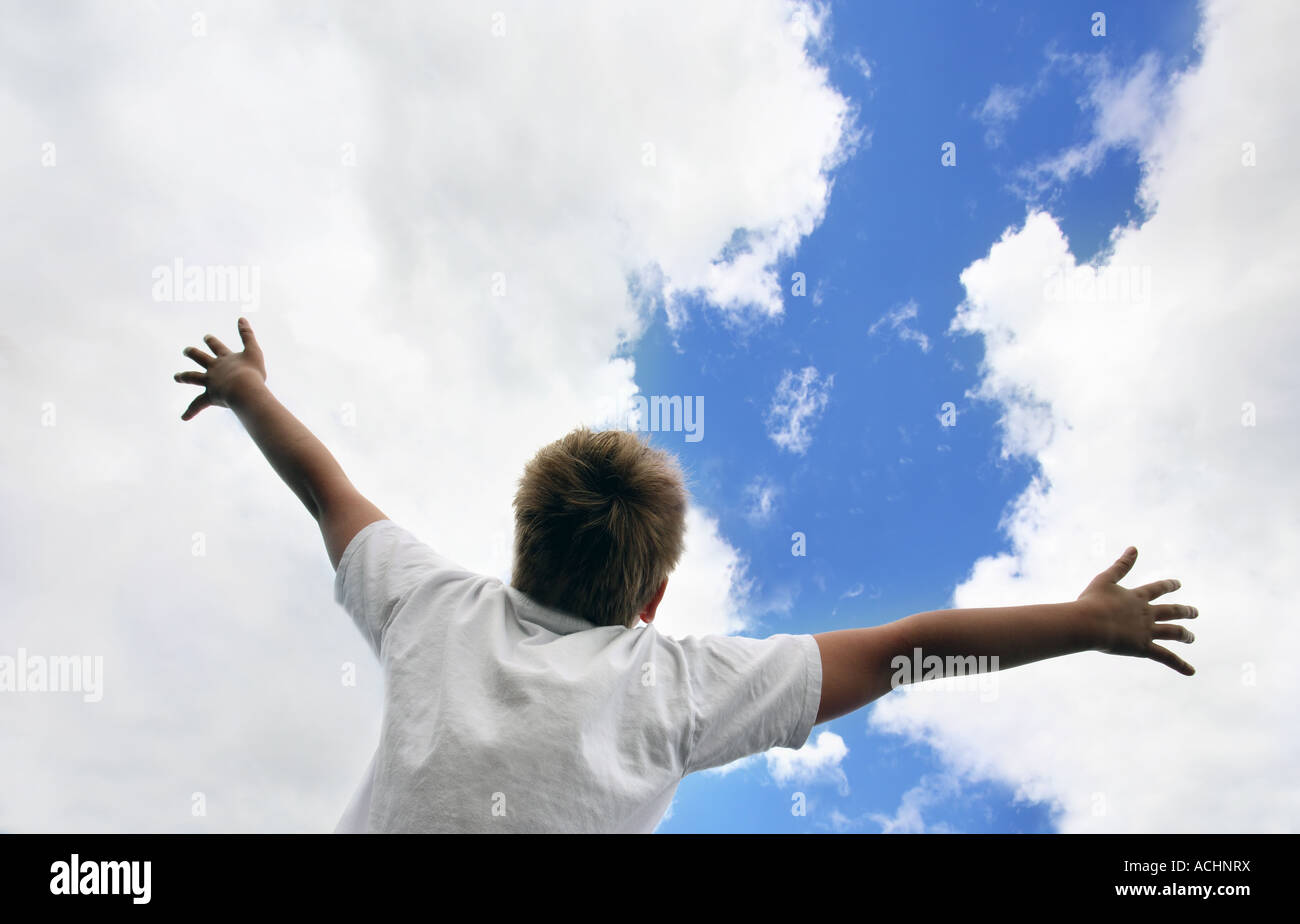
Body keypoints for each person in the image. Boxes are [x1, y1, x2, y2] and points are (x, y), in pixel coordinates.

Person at [174, 318, 1199, 832]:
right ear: (651, 601)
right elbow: (898, 656)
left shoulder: (430, 603)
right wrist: (1083, 622)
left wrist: (244, 388)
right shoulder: (669, 684)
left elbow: (324, 487)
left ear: (518, 545)